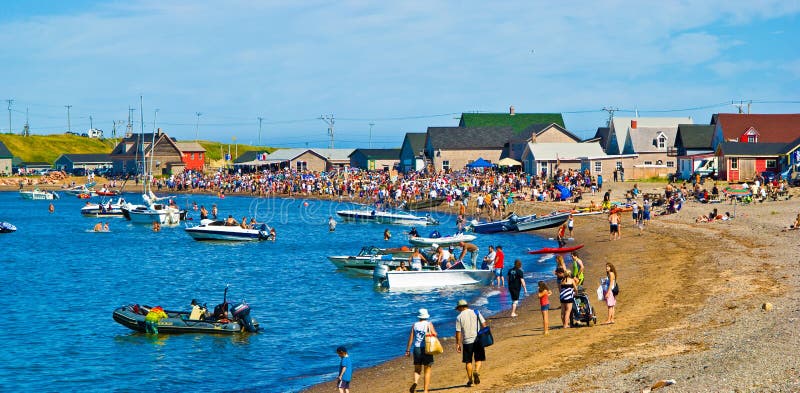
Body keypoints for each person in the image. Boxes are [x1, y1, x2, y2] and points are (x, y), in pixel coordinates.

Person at [454, 299, 487, 387]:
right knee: (478, 359)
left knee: (468, 361)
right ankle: (476, 371)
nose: (458, 310)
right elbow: (484, 324)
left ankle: (470, 380)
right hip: (478, 339)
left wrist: (458, 344)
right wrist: (484, 335)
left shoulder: (459, 317)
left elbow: (458, 332)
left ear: (460, 307)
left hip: (467, 342)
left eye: (458, 308)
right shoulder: (476, 312)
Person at [405, 308, 436, 393]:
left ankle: (415, 382)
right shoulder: (429, 324)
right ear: (426, 316)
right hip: (427, 348)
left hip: (417, 348)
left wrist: (407, 350)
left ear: (419, 316)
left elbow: (411, 338)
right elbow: (435, 334)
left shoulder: (415, 325)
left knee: (417, 369)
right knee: (427, 370)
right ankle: (425, 390)